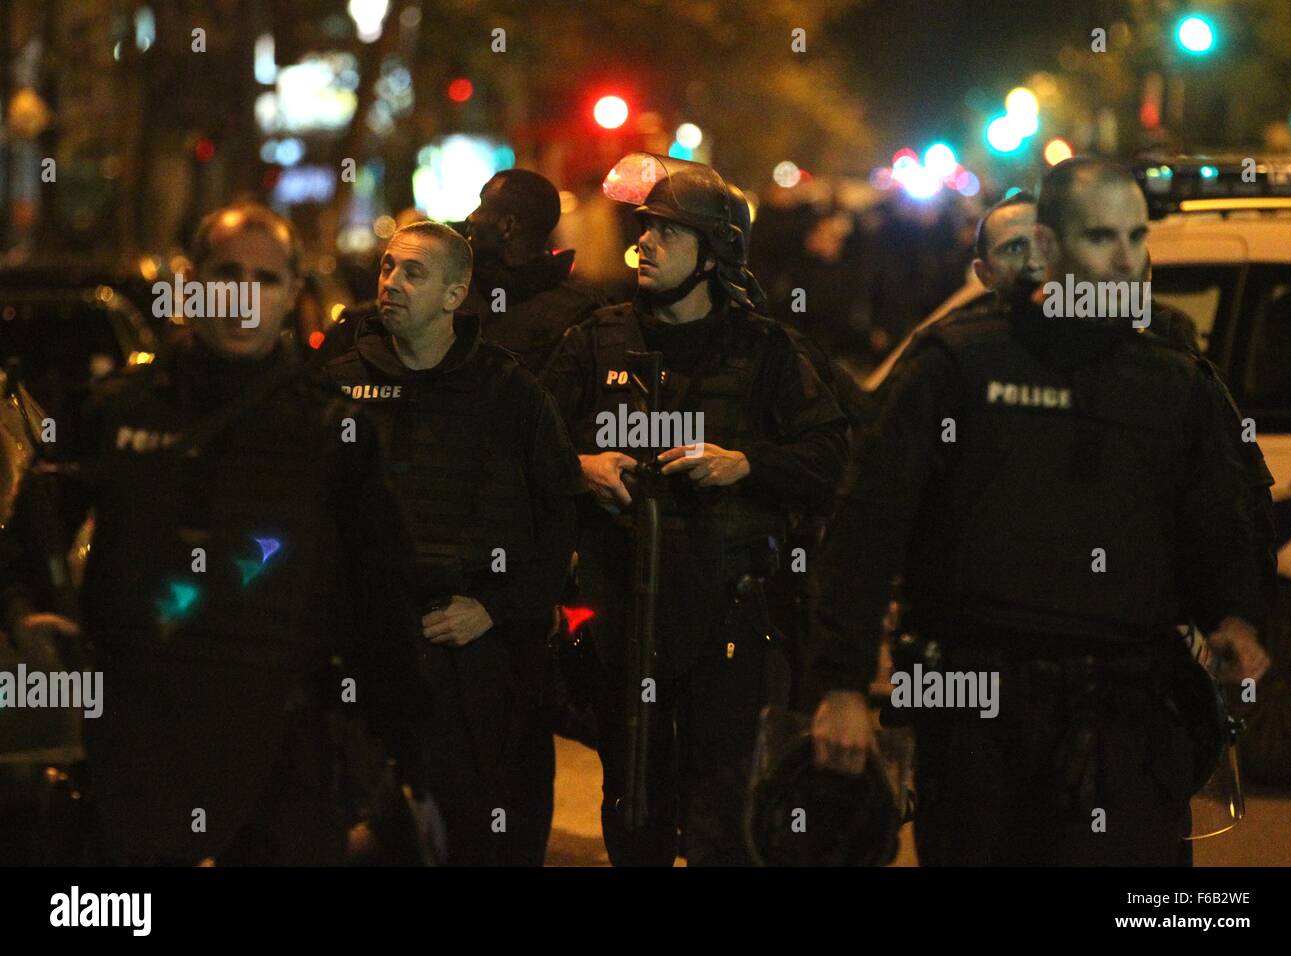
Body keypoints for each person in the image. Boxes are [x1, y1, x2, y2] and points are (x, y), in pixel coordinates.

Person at [809, 157, 1272, 866]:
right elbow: (870, 522)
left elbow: (1219, 524)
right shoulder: (957, 365)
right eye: (1100, 238)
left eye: (1135, 237)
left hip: (1123, 712)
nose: (1126, 260)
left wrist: (1235, 617)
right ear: (1051, 249)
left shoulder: (1173, 382)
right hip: (974, 711)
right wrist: (842, 685)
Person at [0, 202, 429, 865]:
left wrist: (401, 762)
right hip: (136, 744)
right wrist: (31, 616)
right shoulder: (115, 409)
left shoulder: (333, 434)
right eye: (226, 272)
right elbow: (30, 537)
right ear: (191, 282)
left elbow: (386, 601)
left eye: (265, 279)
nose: (242, 297)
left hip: (282, 754)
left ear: (291, 296)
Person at [541, 154, 847, 865]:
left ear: (717, 253)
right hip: (623, 616)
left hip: (731, 624)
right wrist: (577, 469)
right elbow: (522, 446)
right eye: (644, 229)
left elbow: (832, 460)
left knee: (724, 819)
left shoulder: (767, 352)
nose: (644, 244)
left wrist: (748, 466)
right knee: (634, 807)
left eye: (667, 234)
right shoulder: (596, 340)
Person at [323, 220, 584, 866]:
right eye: (387, 269)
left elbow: (561, 521)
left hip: (479, 671)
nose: (391, 284)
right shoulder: (334, 390)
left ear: (454, 293)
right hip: (366, 662)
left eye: (413, 273)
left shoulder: (509, 393)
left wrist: (496, 608)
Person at [460, 169, 607, 374]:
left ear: (508, 226)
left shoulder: (580, 316)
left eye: (481, 207)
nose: (471, 218)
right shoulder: (459, 291)